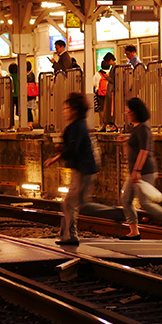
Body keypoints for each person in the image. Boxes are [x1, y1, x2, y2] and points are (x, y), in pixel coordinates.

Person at [120, 98, 162, 239]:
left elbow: (144, 150)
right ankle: (134, 231)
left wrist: (137, 171)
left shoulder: (144, 128)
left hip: (143, 171)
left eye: (129, 111)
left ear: (136, 112)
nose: (127, 114)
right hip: (135, 171)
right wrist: (127, 139)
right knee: (125, 199)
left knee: (145, 203)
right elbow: (138, 143)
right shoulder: (138, 127)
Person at [44, 92, 98, 246]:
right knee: (74, 203)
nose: (64, 111)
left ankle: (69, 236)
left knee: (72, 203)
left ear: (74, 110)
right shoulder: (77, 126)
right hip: (82, 169)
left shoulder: (78, 126)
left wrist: (55, 158)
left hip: (83, 170)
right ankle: (67, 235)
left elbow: (72, 149)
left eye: (66, 108)